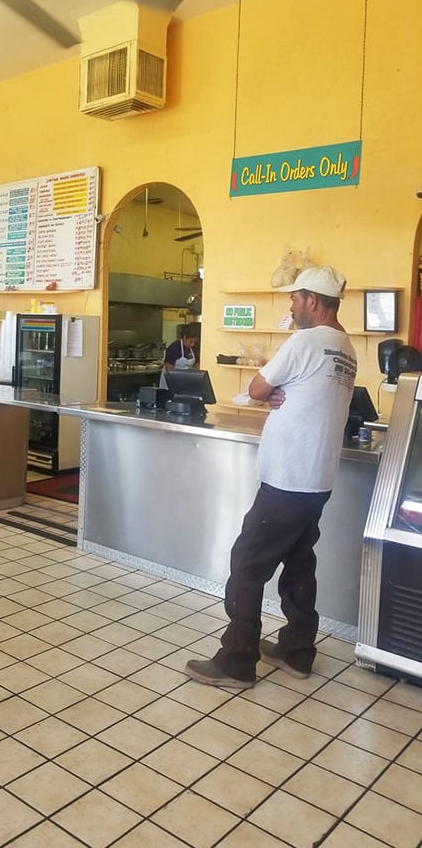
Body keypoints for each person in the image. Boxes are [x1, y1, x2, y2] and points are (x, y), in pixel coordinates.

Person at [184, 265, 357, 688]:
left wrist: (269, 393)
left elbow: (258, 389)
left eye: (295, 299)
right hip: (317, 479)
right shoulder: (345, 347)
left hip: (288, 478)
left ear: (312, 300)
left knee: (247, 562)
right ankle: (297, 651)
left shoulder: (306, 341)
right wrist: (281, 393)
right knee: (299, 562)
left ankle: (236, 660)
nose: (291, 306)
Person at [159, 323, 199, 388]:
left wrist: (196, 378)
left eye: (194, 342)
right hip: (171, 380)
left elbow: (197, 364)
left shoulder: (195, 347)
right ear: (185, 337)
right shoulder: (174, 347)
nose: (193, 344)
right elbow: (168, 368)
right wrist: (176, 383)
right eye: (191, 341)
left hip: (185, 379)